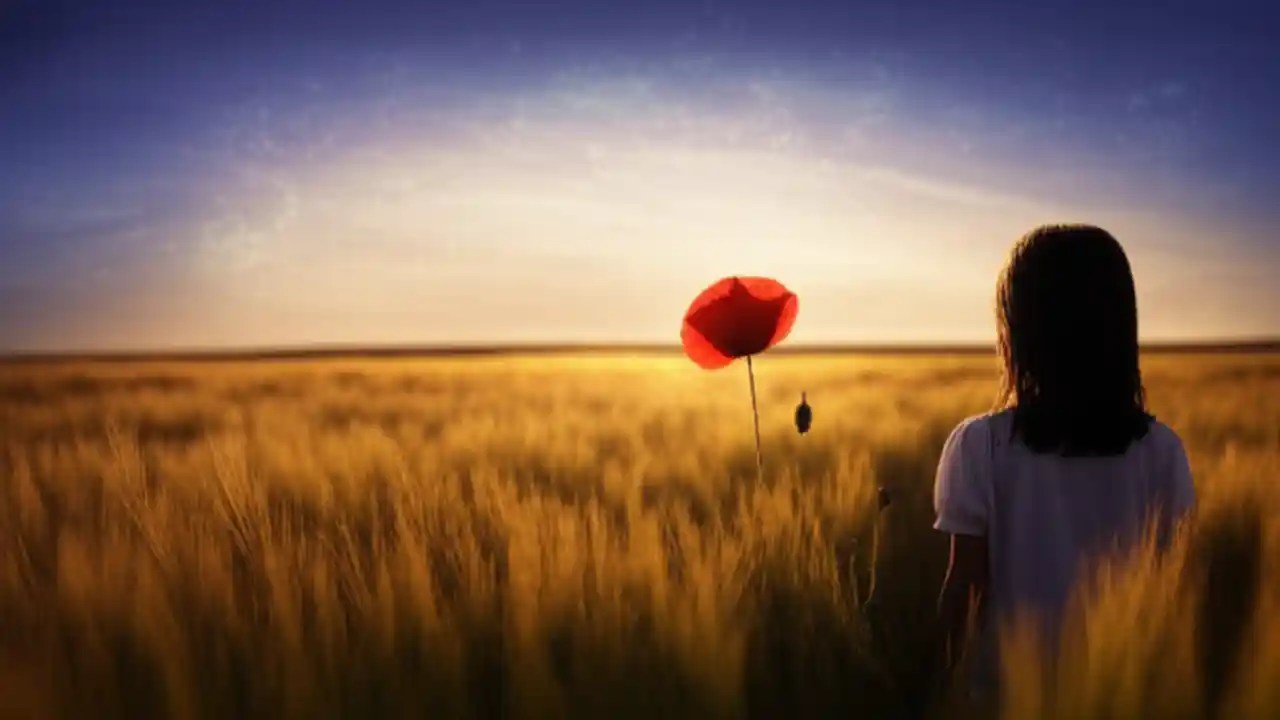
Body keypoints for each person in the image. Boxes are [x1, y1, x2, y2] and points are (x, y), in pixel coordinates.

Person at [932, 224, 1196, 702]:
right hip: (1125, 698)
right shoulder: (1163, 451)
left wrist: (943, 695)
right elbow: (1174, 594)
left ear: (1018, 332)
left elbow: (964, 591)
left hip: (1005, 701)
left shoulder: (979, 446)